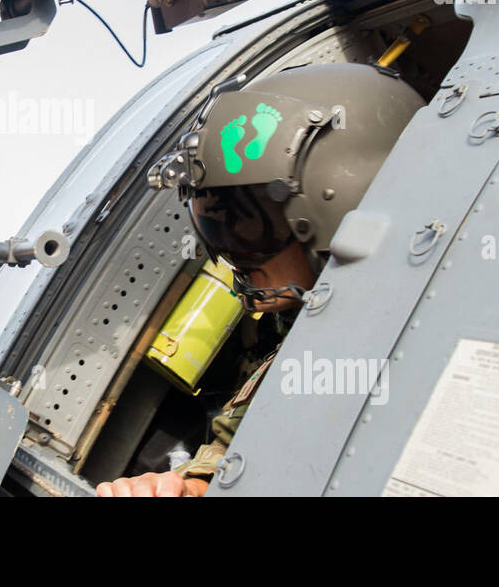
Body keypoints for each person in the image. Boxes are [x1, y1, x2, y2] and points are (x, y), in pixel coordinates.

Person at [97, 62, 423, 497]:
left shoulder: (418, 340)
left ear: (343, 204)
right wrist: (188, 488)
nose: (231, 252)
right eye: (216, 220)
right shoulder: (300, 325)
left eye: (249, 222)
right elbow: (235, 447)